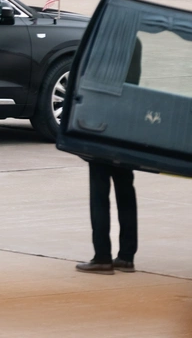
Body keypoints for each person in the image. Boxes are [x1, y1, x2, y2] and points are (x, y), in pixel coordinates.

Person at [77, 38, 141, 275]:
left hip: (101, 125)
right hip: (125, 125)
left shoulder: (101, 42)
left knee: (99, 193)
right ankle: (126, 256)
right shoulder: (134, 42)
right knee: (126, 192)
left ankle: (102, 256)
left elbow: (85, 78)